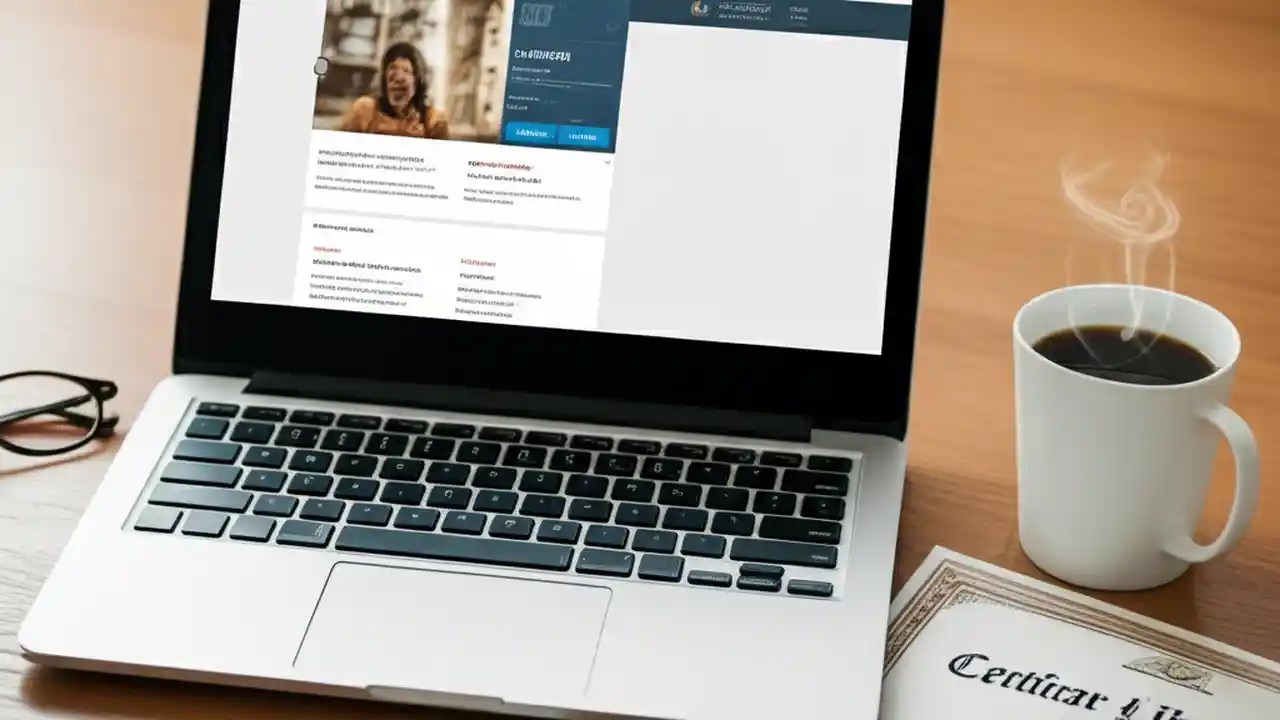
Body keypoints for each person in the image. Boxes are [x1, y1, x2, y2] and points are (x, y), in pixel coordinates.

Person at [339, 42, 448, 139]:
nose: (398, 77)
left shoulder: (433, 121)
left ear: (418, 82)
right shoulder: (364, 110)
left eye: (406, 70)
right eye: (392, 68)